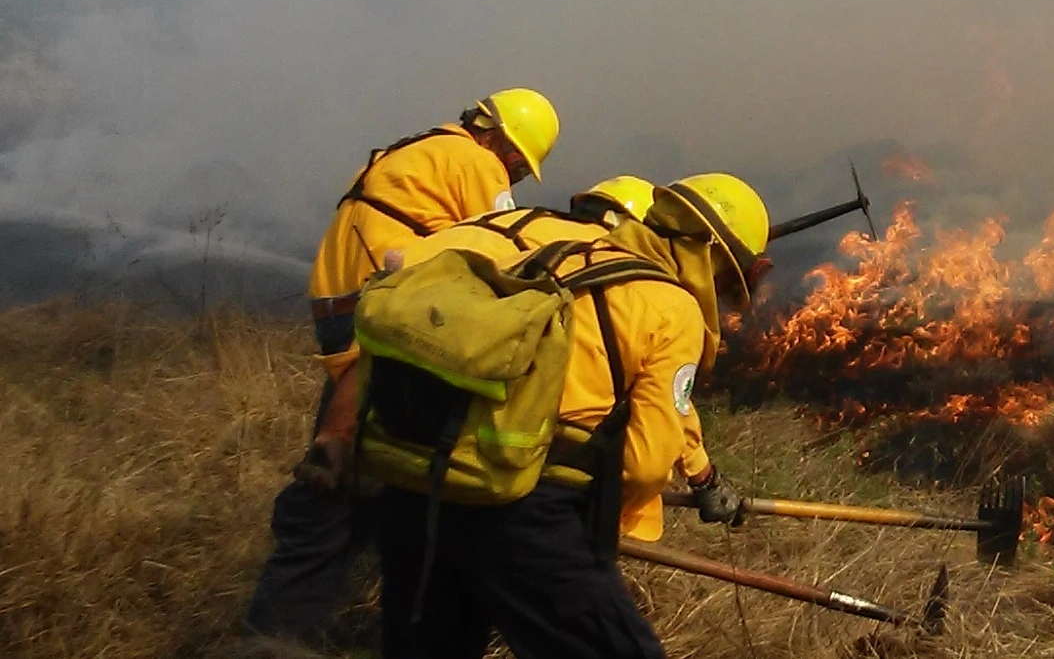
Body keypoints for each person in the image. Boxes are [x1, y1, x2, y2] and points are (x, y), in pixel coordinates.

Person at [370, 173, 768, 659]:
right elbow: (644, 464)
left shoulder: (552, 249)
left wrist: (703, 472)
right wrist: (600, 530)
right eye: (727, 281)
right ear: (709, 255)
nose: (721, 297)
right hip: (522, 510)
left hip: (418, 479)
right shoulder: (671, 307)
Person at [242, 88, 561, 645]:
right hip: (389, 317)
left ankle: (314, 615)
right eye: (516, 162)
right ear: (497, 138)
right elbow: (510, 244)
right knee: (340, 481)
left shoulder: (413, 152)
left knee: (378, 475)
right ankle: (274, 636)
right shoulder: (473, 161)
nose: (511, 173)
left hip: (346, 309)